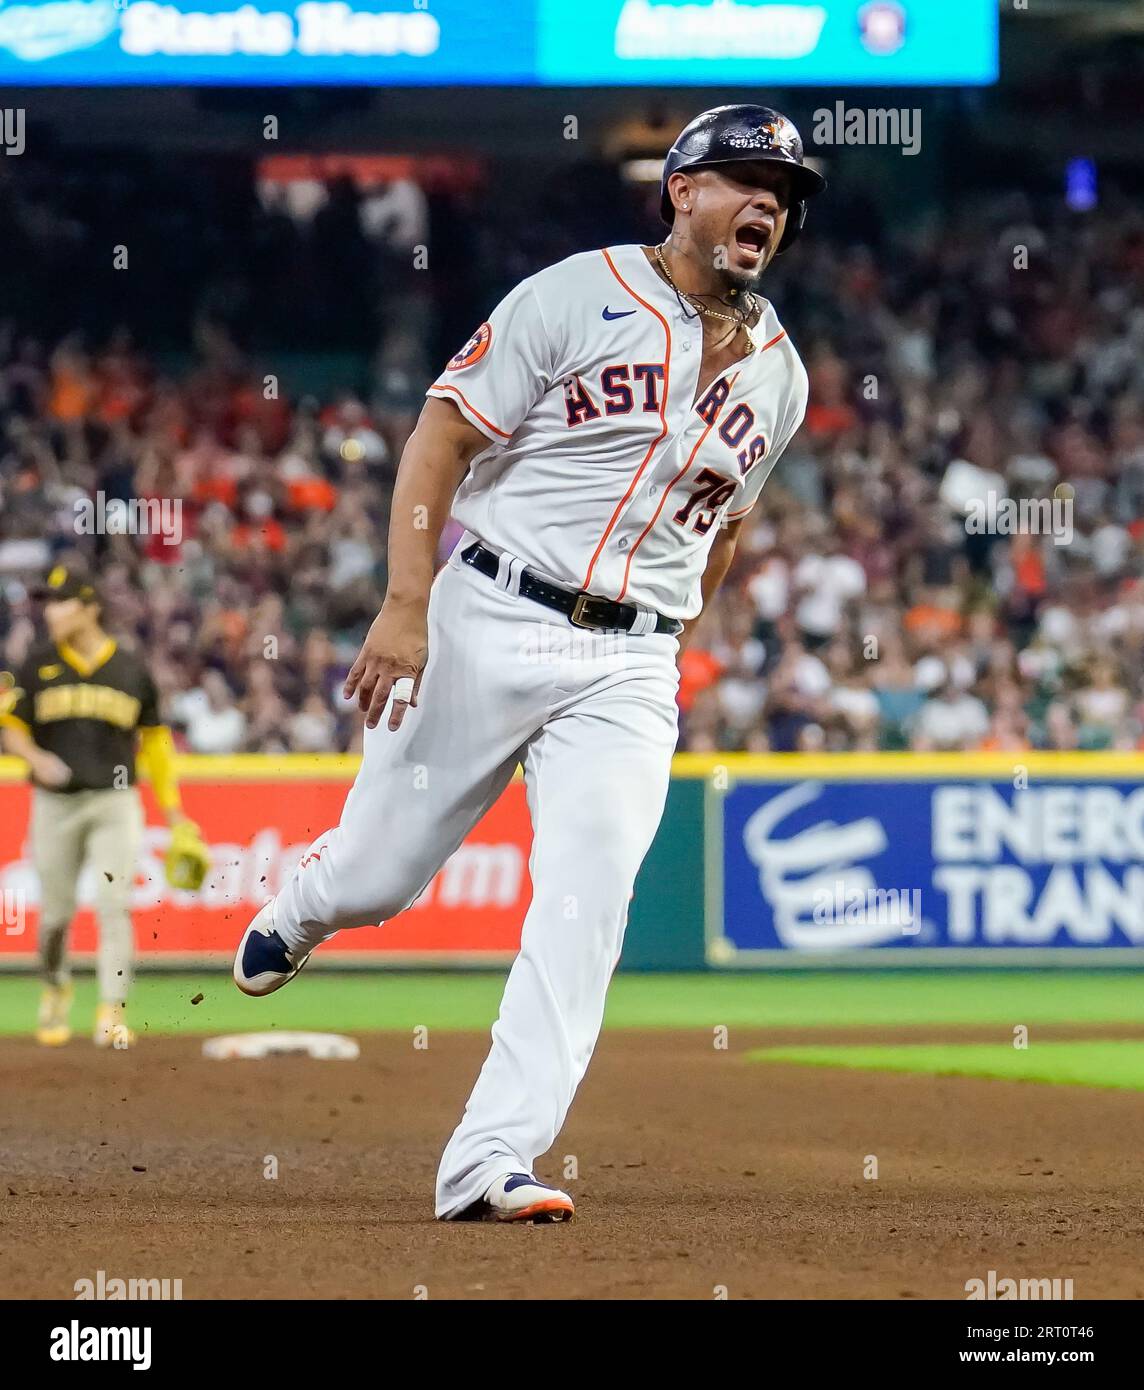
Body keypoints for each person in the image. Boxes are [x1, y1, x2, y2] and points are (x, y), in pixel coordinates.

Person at [233, 104, 823, 1222]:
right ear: (681, 191)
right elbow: (441, 437)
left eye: (784, 195)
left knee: (587, 900)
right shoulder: (572, 294)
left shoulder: (780, 374)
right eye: (745, 180)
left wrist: (666, 639)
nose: (768, 204)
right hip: (490, 610)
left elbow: (728, 524)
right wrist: (406, 602)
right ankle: (310, 901)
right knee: (379, 878)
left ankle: (489, 1158)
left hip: (630, 663)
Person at [0, 567, 200, 1047]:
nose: (51, 612)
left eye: (61, 602)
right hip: (55, 805)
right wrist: (35, 758)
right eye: (48, 603)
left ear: (89, 608)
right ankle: (56, 986)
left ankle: (112, 1010)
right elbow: (12, 728)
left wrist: (173, 811)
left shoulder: (130, 669)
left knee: (114, 907)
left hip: (115, 802)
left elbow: (155, 743)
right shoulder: (38, 664)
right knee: (55, 917)